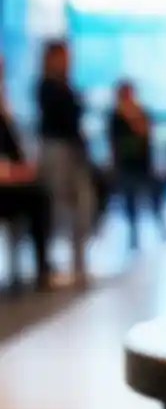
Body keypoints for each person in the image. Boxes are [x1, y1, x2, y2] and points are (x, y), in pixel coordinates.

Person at [36, 40, 93, 284]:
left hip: (74, 150)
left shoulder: (67, 87)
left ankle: (79, 263)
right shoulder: (46, 87)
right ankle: (53, 265)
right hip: (56, 149)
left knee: (83, 204)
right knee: (57, 205)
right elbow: (65, 115)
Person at [0, 55, 53, 287]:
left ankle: (42, 268)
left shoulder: (5, 110)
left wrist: (21, 169)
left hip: (9, 183)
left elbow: (14, 151)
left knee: (39, 195)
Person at [110, 80, 166, 249]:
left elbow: (148, 133)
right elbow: (114, 143)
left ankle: (162, 227)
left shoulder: (142, 113)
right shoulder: (116, 117)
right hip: (126, 164)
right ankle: (133, 236)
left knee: (155, 197)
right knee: (130, 200)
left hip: (144, 163)